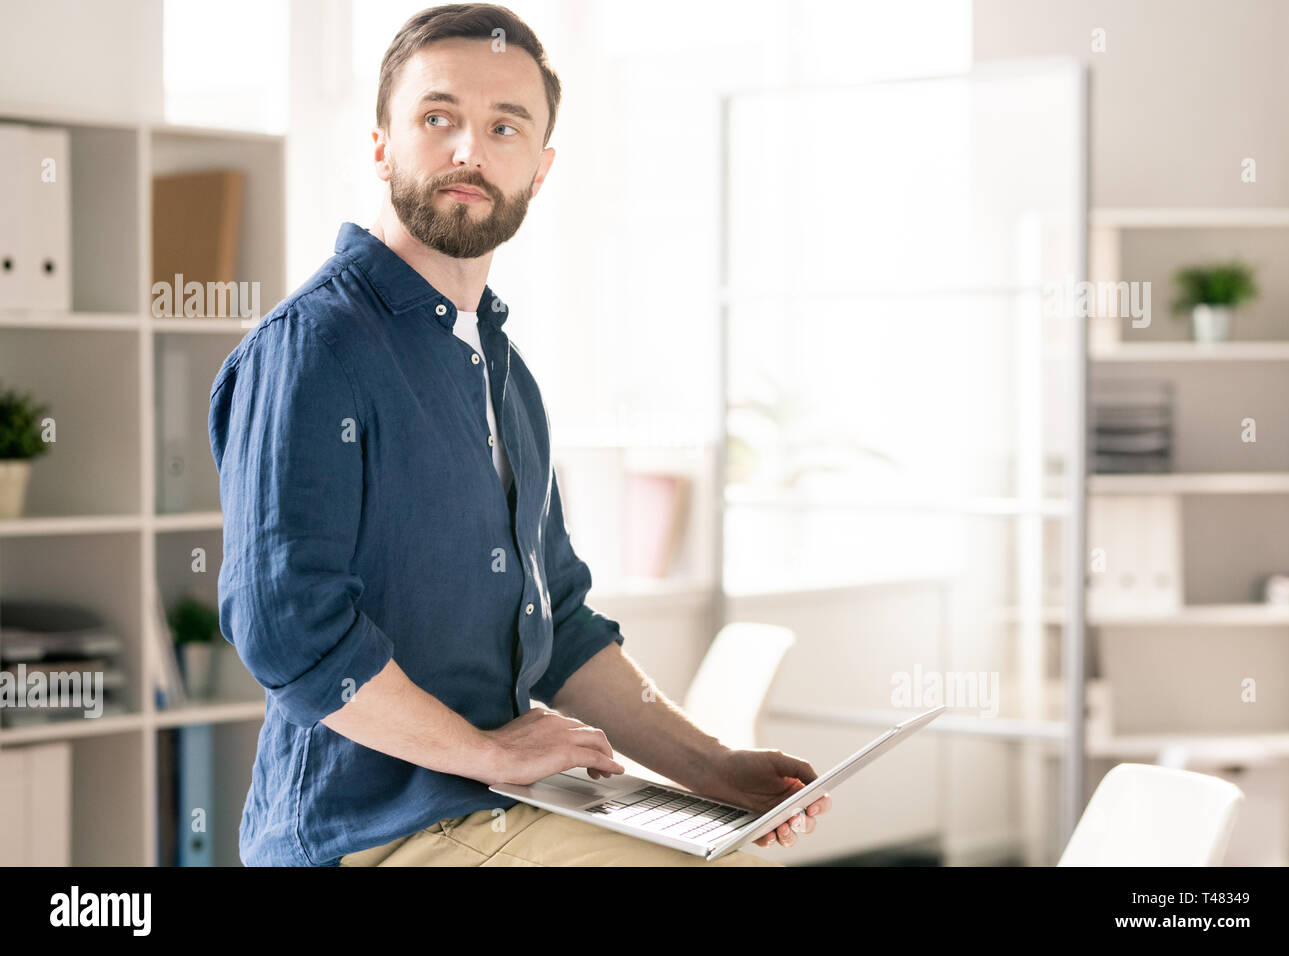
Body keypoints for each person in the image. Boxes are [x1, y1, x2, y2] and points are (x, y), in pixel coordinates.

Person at [208, 2, 830, 867]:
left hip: (507, 803)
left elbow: (563, 629)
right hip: (368, 834)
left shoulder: (504, 373)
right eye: (439, 118)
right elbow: (287, 629)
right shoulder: (313, 347)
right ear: (382, 145)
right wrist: (493, 754)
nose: (470, 149)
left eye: (505, 126)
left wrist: (715, 770)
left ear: (539, 169)